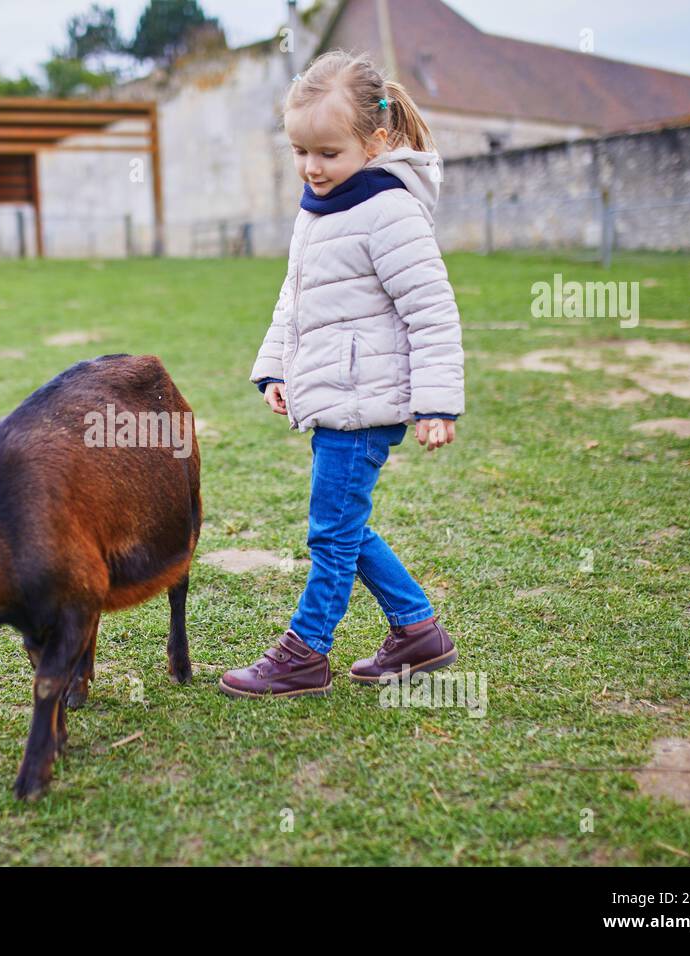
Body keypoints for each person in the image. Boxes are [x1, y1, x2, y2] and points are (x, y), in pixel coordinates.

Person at [220, 50, 465, 699]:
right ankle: (417, 632)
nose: (311, 167)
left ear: (375, 141)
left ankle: (305, 652)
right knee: (344, 525)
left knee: (330, 529)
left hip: (367, 403)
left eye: (327, 152)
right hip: (332, 394)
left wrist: (437, 404)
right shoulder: (318, 207)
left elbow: (432, 313)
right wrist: (275, 367)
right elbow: (294, 298)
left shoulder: (390, 211)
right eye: (301, 152)